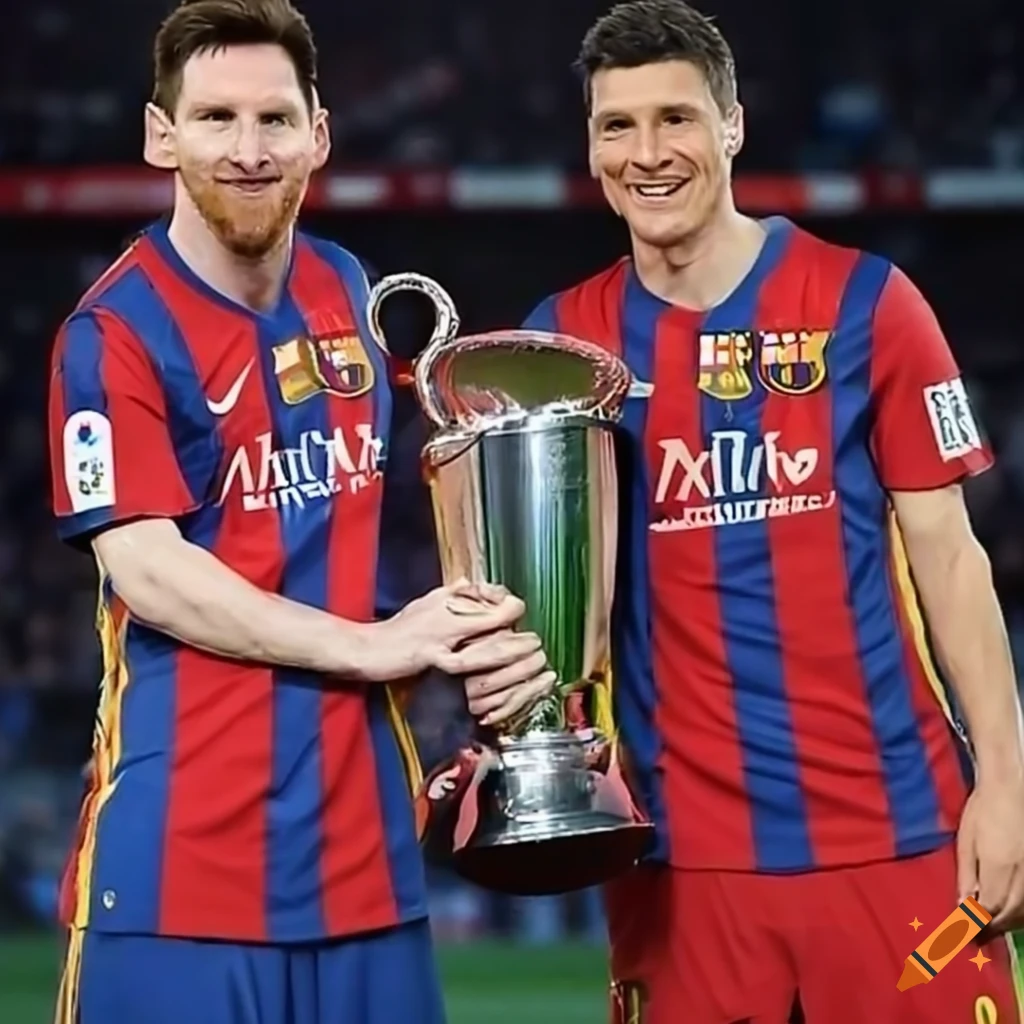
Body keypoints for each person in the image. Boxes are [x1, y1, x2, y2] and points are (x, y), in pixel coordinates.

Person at [511, 2, 1024, 1021]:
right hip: (678, 860)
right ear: (590, 144)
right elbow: (552, 599)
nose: (648, 153)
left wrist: (1007, 786)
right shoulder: (560, 341)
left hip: (893, 832)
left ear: (732, 125)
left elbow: (951, 561)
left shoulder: (869, 304)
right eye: (617, 125)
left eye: (676, 118)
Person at [45, 2, 553, 1023]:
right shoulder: (113, 333)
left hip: (367, 868)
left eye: (274, 119)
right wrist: (374, 646)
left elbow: (358, 541)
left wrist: (469, 628)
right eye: (216, 117)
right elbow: (144, 567)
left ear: (317, 134)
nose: (246, 149)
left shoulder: (347, 290)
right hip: (179, 881)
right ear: (161, 134)